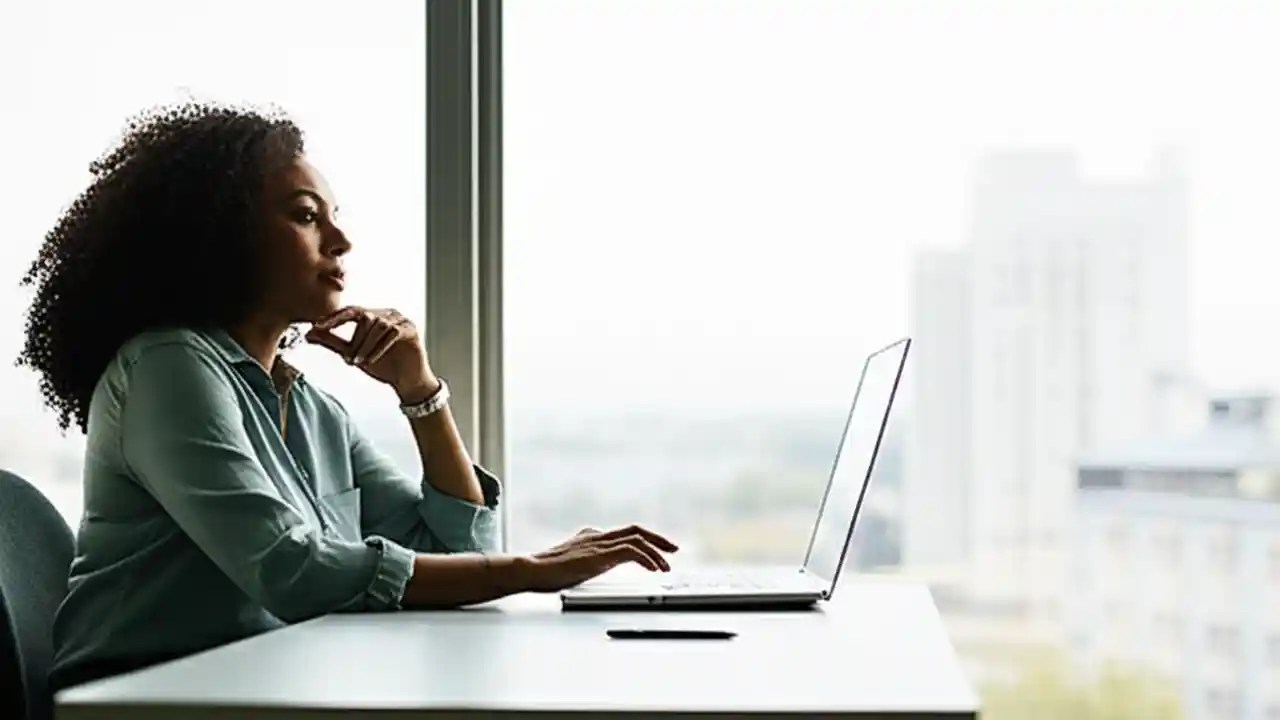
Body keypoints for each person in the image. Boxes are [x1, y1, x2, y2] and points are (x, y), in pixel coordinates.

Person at [17, 100, 678, 693]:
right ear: (218, 231)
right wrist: (530, 569)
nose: (341, 242)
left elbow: (452, 550)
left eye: (334, 218)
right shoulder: (169, 366)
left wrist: (420, 394)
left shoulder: (309, 408)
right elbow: (291, 569)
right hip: (141, 701)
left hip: (261, 685)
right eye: (307, 217)